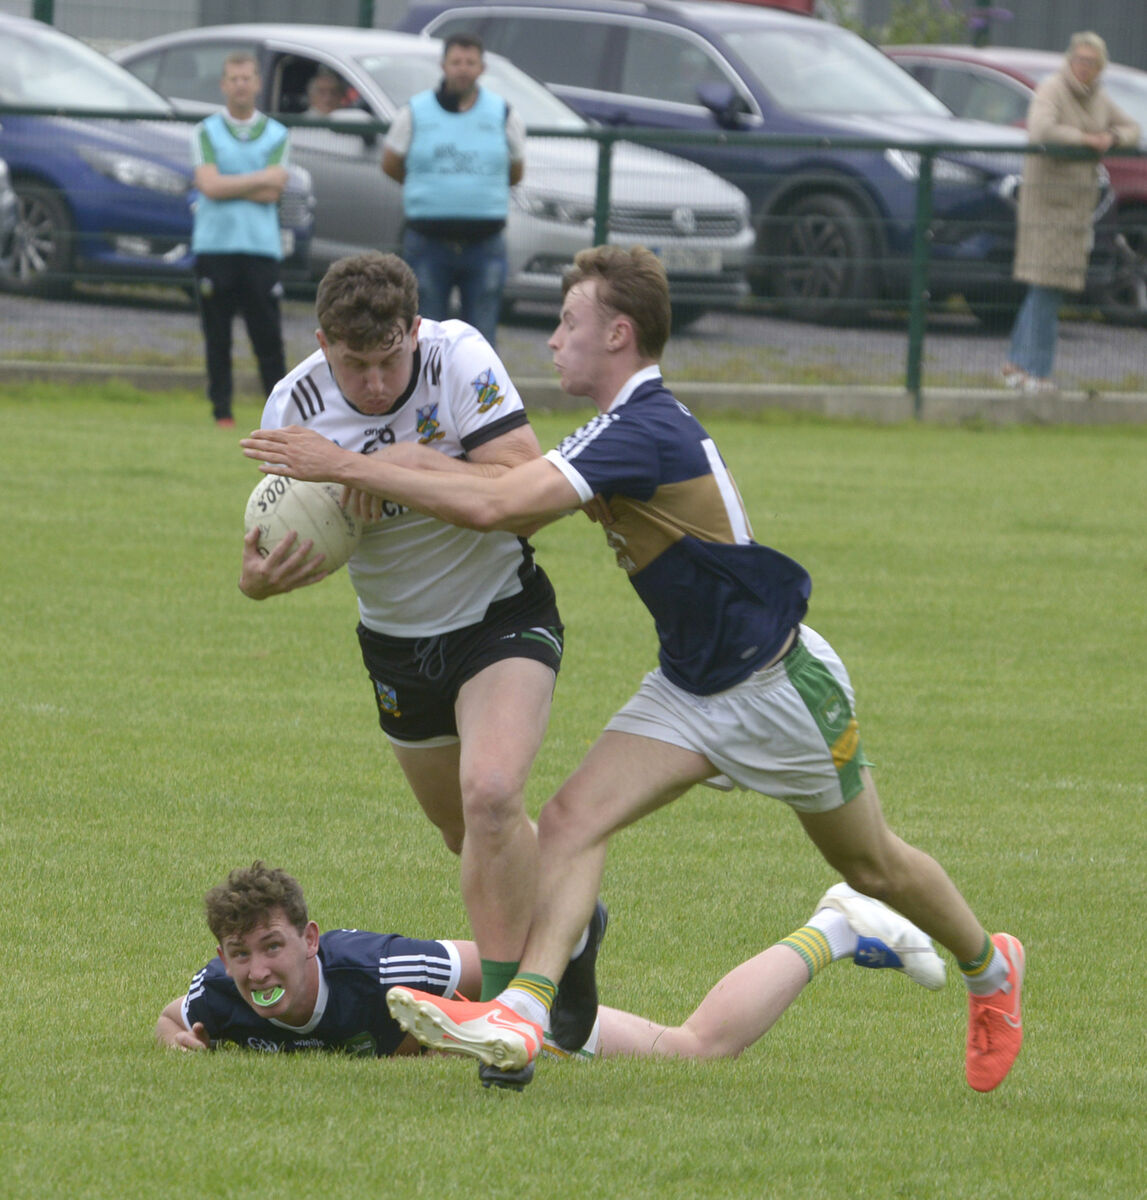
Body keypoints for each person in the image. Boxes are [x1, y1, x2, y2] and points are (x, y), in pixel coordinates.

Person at [240, 244, 1026, 1096]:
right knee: (572, 819)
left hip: (774, 684)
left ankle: (991, 970)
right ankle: (521, 1012)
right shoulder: (611, 426)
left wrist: (352, 464)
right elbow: (491, 479)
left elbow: (505, 504)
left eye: (567, 323)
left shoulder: (642, 428)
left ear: (616, 333)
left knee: (872, 863)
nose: (550, 342)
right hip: (688, 687)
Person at [236, 251, 567, 1016]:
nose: (377, 384)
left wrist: (380, 465)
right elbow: (297, 536)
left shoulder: (457, 360)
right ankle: (571, 928)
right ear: (323, 343)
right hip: (395, 642)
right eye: (356, 365)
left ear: (412, 331)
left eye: (390, 360)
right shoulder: (293, 405)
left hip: (500, 617)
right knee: (471, 839)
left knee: (490, 797)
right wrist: (260, 580)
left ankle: (516, 1011)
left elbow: (525, 488)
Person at [156, 862, 945, 1066]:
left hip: (510, 1030)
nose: (257, 969)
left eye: (271, 947)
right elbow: (172, 1017)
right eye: (240, 953)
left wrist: (530, 1016)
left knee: (696, 1049)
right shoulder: (221, 994)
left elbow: (494, 959)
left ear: (310, 939)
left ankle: (834, 925)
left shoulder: (379, 970)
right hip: (480, 1045)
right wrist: (172, 1038)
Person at [1002, 31, 1139, 394]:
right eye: (1079, 59)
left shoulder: (1099, 98)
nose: (1084, 67)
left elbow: (1132, 129)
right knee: (1046, 288)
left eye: (1091, 62)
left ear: (1100, 66)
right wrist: (1085, 139)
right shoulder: (1052, 90)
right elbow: (1042, 129)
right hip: (1047, 205)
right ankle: (1035, 372)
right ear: (1069, 59)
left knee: (1048, 289)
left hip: (1076, 209)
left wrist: (1110, 139)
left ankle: (1017, 364)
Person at [381, 32, 524, 349]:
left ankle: (482, 400)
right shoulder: (415, 112)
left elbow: (515, 170)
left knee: (481, 340)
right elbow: (391, 162)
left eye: (470, 62)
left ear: (482, 68)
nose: (463, 69)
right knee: (427, 335)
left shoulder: (503, 114)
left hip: (485, 245)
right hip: (428, 243)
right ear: (443, 65)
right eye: (456, 62)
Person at [191, 51, 290, 428]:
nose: (240, 85)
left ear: (258, 83)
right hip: (214, 247)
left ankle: (280, 414)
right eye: (233, 79)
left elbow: (274, 191)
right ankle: (222, 412)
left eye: (247, 78)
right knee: (217, 337)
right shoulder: (206, 132)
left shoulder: (278, 134)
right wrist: (256, 178)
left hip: (261, 248)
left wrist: (226, 183)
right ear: (223, 84)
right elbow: (208, 185)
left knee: (268, 337)